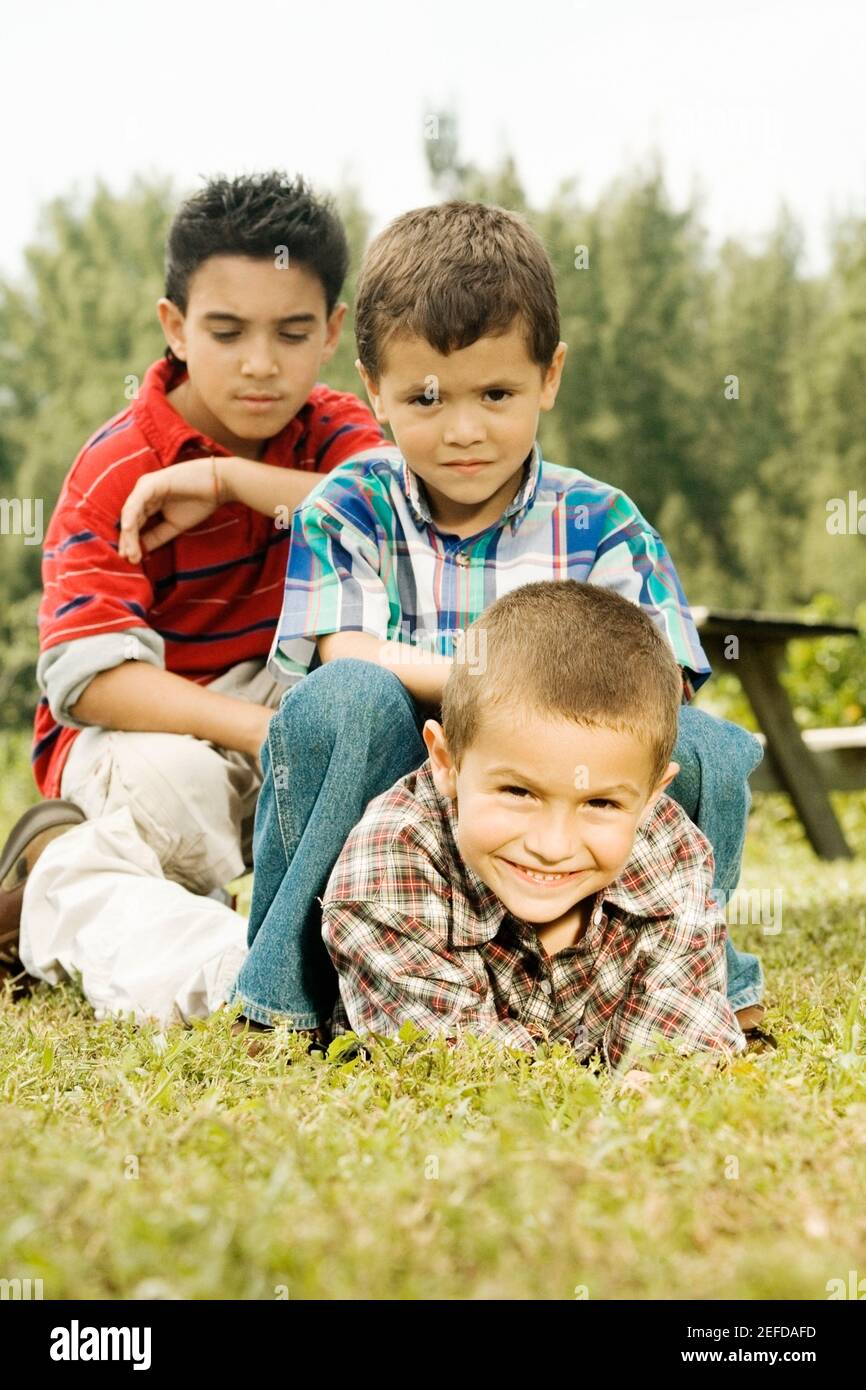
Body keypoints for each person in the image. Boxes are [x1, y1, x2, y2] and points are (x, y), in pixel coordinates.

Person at [218, 199, 766, 1041]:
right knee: (344, 700)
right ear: (374, 390)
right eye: (427, 399)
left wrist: (535, 717)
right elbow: (340, 650)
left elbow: (661, 680)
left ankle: (691, 981)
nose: (464, 429)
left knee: (705, 749)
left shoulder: (601, 520)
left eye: (498, 392)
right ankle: (290, 993)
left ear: (550, 376)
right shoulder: (347, 508)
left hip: (552, 783)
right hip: (407, 777)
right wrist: (493, 682)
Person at [2, 172, 384, 1027]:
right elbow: (90, 680)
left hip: (289, 695)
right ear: (174, 328)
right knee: (171, 791)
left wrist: (234, 482)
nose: (260, 363)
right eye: (226, 331)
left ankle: (59, 879)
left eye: (291, 332)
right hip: (150, 731)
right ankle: (233, 970)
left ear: (331, 330)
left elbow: (403, 528)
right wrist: (266, 733)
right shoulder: (115, 468)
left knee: (381, 723)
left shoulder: (339, 436)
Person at [321, 580, 748, 1069]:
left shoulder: (672, 848)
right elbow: (452, 1061)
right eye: (518, 792)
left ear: (652, 796)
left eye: (601, 803)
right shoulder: (391, 859)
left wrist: (653, 1079)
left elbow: (679, 1042)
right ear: (446, 761)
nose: (552, 845)